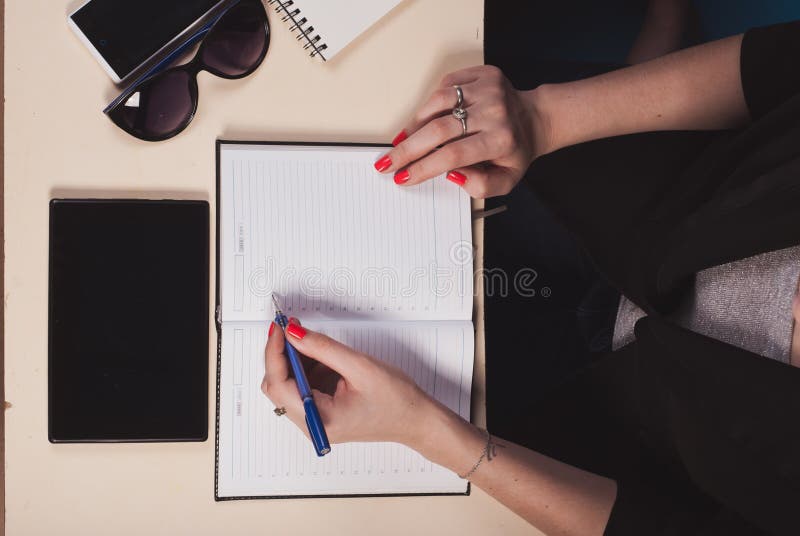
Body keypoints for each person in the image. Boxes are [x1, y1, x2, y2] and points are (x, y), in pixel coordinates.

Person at [262, 20, 800, 535]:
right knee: (419, 122)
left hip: (599, 440)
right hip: (643, 188)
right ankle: (659, 33)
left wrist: (426, 432)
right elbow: (771, 71)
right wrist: (541, 119)